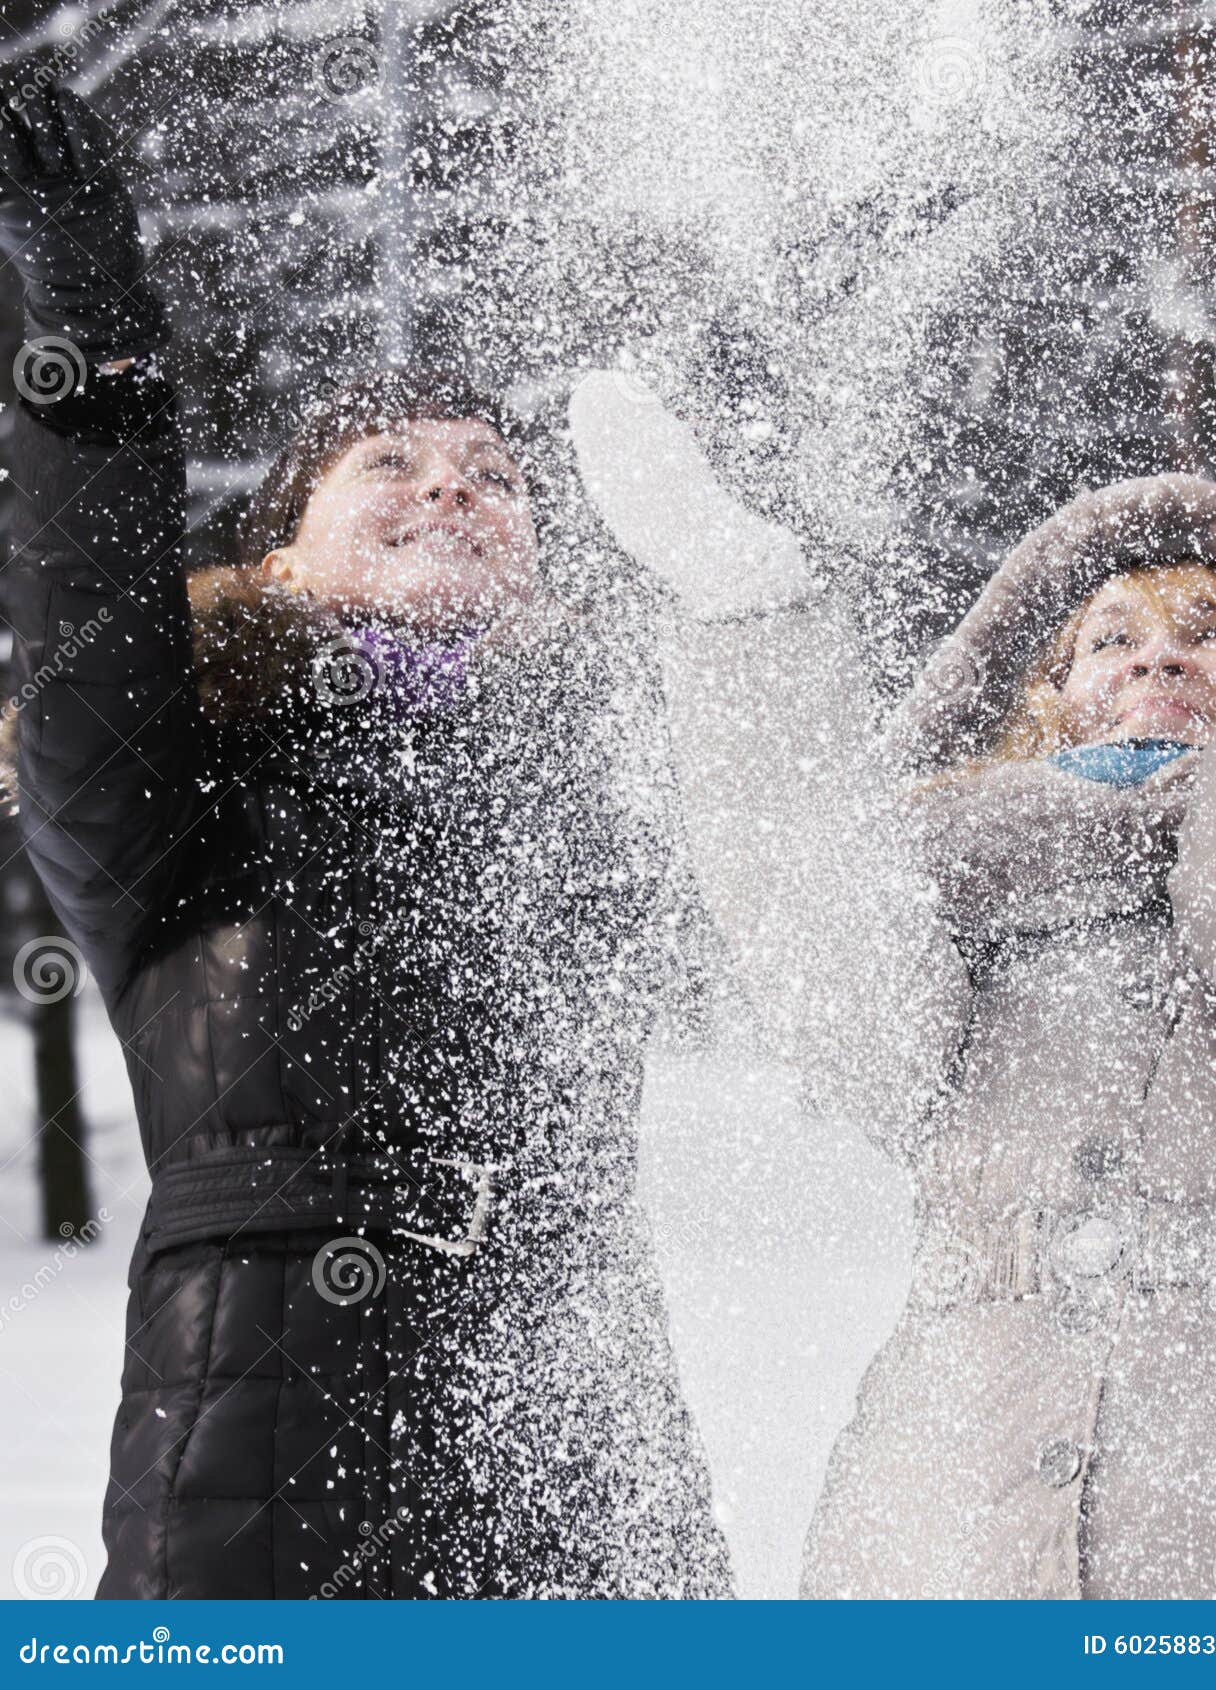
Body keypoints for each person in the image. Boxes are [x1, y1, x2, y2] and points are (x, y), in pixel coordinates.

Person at [571, 296, 1216, 1597]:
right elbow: (832, 974)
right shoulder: (950, 920)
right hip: (939, 1533)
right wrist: (743, 623)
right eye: (1111, 638)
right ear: (1042, 700)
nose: (1161, 653)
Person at [1, 81, 730, 1599]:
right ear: (280, 548)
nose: (454, 482)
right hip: (260, 1444)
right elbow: (89, 600)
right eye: (389, 462)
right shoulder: (172, 783)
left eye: (496, 472)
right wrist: (94, 317)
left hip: (584, 1430)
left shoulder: (611, 771)